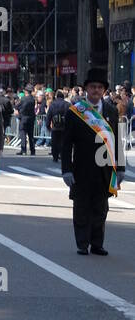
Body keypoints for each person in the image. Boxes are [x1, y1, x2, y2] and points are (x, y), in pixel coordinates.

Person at [61, 66, 125, 256]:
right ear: (86, 89)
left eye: (99, 87)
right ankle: (82, 243)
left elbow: (118, 140)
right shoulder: (75, 112)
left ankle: (97, 243)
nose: (96, 90)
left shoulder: (112, 111)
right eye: (92, 87)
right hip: (81, 168)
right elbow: (66, 144)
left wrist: (120, 168)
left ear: (104, 90)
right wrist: (66, 170)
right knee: (81, 207)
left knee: (100, 207)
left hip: (104, 167)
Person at [46, 89, 68, 164]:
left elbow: (49, 115)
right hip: (64, 126)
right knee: (63, 142)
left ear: (56, 96)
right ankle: (62, 155)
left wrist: (48, 125)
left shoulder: (52, 104)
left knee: (54, 142)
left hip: (55, 126)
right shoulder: (67, 104)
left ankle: (55, 156)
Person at [18, 85, 36, 155]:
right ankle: (32, 150)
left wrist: (20, 110)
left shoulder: (23, 98)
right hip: (31, 118)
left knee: (23, 134)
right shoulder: (32, 99)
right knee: (31, 135)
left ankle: (23, 150)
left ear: (26, 91)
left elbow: (17, 106)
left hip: (24, 117)